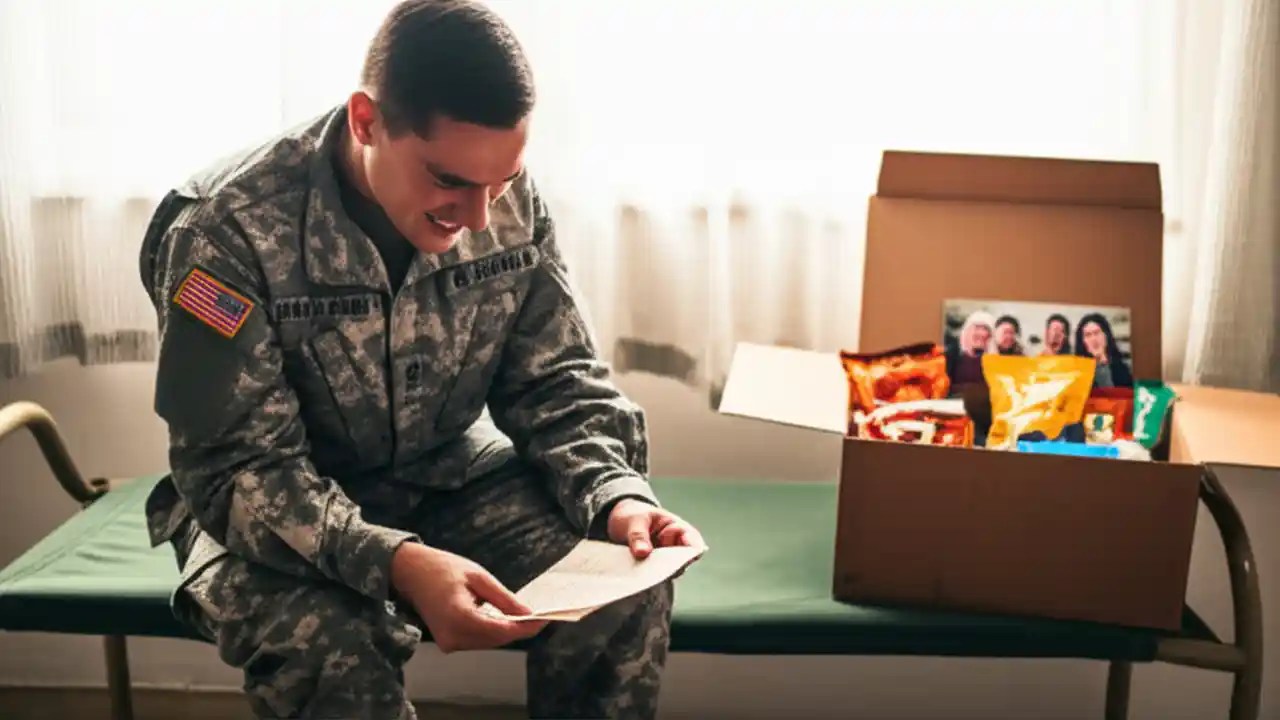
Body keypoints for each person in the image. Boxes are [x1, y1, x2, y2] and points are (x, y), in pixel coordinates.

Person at [136, 2, 704, 718]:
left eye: (499, 183)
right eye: (448, 183)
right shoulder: (225, 232)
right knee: (331, 646)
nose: (477, 217)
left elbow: (556, 382)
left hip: (447, 478)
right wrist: (397, 563)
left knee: (629, 582)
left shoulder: (498, 192)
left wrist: (617, 496)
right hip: (270, 517)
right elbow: (236, 468)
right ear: (367, 121)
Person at [1075, 312, 1134, 388]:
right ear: (1083, 341)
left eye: (1096, 333)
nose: (1093, 339)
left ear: (1106, 335)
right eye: (1088, 335)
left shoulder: (1122, 367)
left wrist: (1102, 362)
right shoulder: (1077, 372)